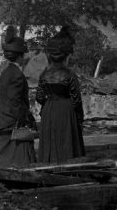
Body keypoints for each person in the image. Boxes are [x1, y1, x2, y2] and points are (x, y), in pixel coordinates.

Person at [36, 26, 85, 163]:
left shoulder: (44, 75)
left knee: (50, 141)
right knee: (67, 142)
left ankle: (48, 165)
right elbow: (77, 100)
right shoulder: (70, 75)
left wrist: (49, 104)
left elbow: (39, 97)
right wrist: (79, 119)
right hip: (66, 111)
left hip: (49, 110)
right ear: (66, 56)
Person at [0, 26, 37, 168]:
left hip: (3, 119)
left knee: (6, 159)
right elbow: (15, 102)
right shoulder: (17, 75)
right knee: (15, 160)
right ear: (20, 56)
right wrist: (26, 119)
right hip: (10, 123)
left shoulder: (6, 72)